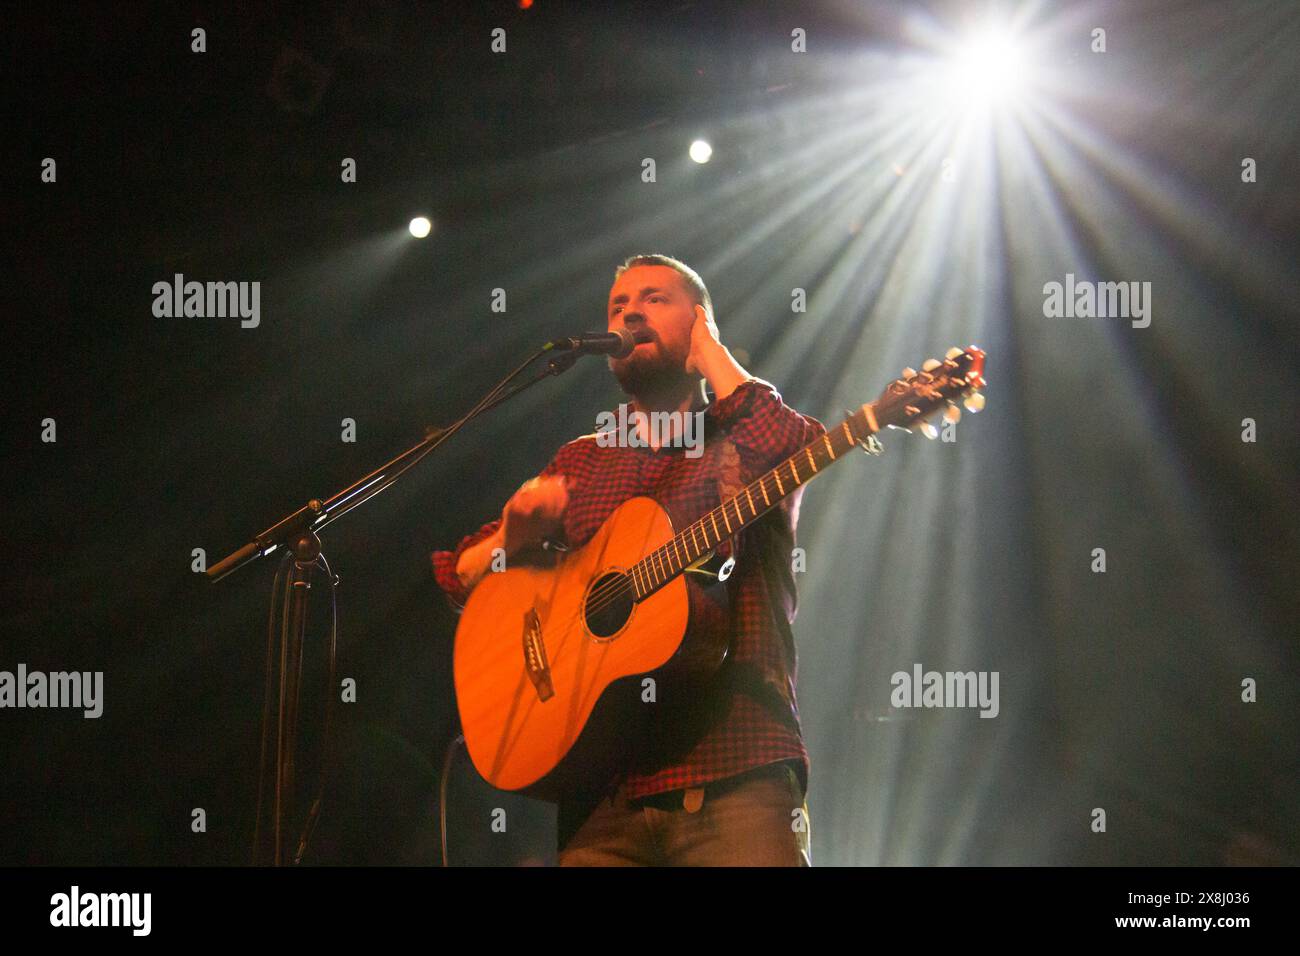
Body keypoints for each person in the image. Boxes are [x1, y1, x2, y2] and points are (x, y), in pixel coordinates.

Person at [431, 254, 823, 865]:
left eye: (653, 299)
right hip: (603, 798)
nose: (630, 311)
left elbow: (798, 445)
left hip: (736, 774)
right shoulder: (585, 460)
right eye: (618, 305)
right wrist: (508, 540)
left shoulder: (745, 437)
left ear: (699, 323)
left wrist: (711, 355)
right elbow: (461, 576)